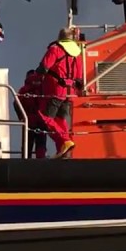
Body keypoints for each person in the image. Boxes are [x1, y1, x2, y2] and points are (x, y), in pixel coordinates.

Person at [37, 27, 85, 158]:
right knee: (60, 119)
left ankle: (64, 141)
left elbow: (44, 68)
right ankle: (63, 150)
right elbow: (79, 77)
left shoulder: (55, 49)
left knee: (45, 117)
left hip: (55, 89)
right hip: (70, 92)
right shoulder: (78, 53)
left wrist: (36, 78)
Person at [15, 68, 48, 159]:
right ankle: (41, 161)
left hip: (28, 120)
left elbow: (16, 103)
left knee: (27, 144)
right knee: (41, 143)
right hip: (41, 119)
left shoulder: (24, 89)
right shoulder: (43, 88)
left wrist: (21, 118)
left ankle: (25, 162)